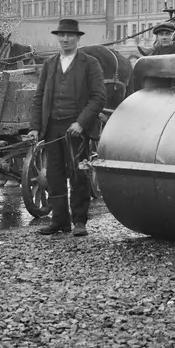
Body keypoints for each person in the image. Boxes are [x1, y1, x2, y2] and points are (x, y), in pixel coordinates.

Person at [28, 18, 107, 238]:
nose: (65, 39)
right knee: (54, 176)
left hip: (76, 129)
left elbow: (99, 97)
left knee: (78, 174)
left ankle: (79, 221)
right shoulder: (49, 64)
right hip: (53, 128)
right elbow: (39, 97)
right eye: (61, 36)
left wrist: (81, 123)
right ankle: (59, 221)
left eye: (70, 36)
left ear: (78, 38)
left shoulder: (90, 63)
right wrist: (35, 127)